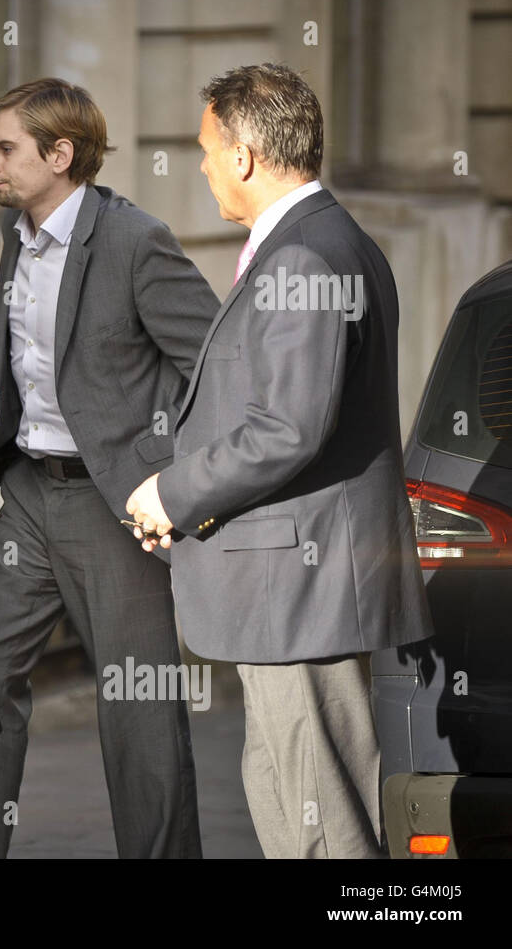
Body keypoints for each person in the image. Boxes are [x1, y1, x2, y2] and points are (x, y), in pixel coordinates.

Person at [126, 64, 434, 858]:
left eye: (205, 149)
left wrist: (173, 490)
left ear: (244, 157)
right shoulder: (334, 240)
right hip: (303, 583)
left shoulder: (303, 256)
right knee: (298, 788)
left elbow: (286, 429)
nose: (198, 167)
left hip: (296, 587)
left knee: (320, 814)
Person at [0, 79, 215, 859]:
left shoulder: (133, 240)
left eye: (5, 148)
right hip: (27, 493)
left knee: (137, 708)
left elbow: (215, 364)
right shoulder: (19, 234)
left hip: (114, 505)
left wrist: (171, 479)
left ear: (62, 154)